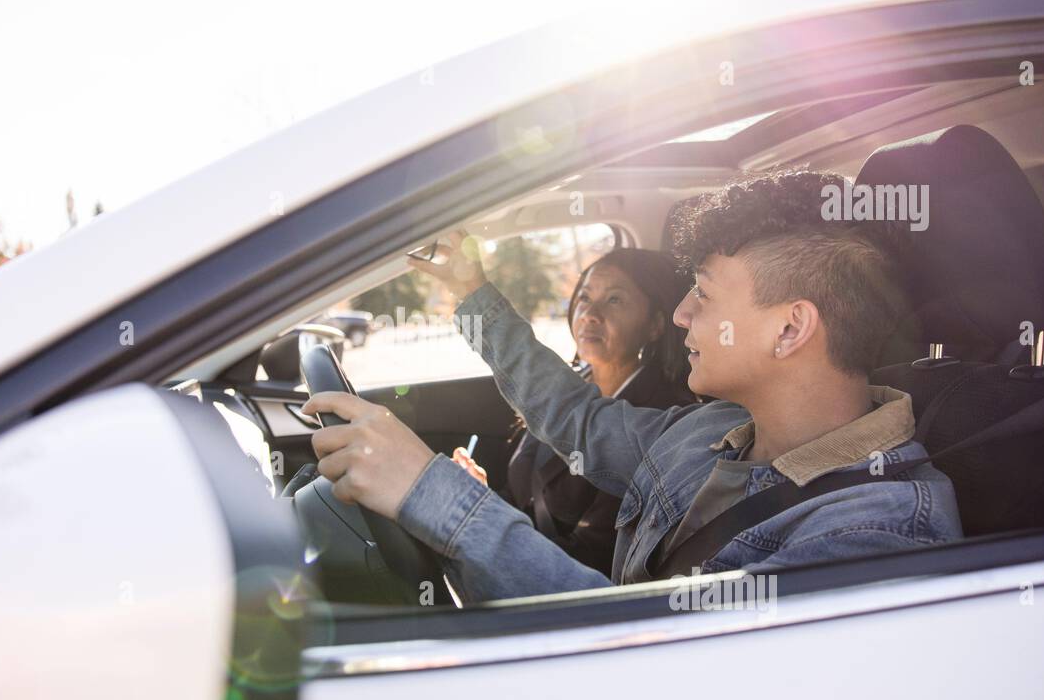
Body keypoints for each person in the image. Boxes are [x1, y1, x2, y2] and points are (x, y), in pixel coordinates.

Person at [300, 170, 962, 603]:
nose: (680, 316)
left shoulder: (875, 532)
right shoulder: (712, 431)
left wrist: (432, 495)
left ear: (790, 330)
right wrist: (472, 293)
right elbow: (578, 418)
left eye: (701, 295)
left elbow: (662, 661)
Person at [450, 248, 696, 576]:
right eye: (583, 298)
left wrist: (477, 521)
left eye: (614, 300)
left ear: (654, 325)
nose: (590, 314)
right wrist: (482, 497)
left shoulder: (658, 418)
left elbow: (590, 560)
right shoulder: (569, 382)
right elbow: (521, 495)